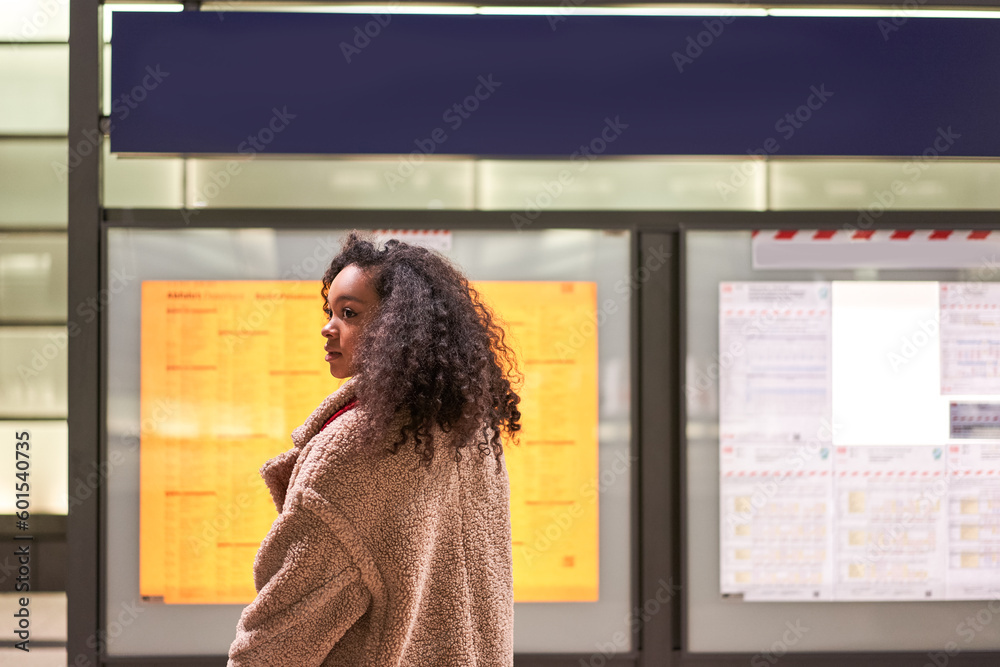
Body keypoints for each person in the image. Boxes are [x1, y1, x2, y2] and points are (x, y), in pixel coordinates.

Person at [228, 232, 521, 666]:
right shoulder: (469, 433)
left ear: (398, 326)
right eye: (330, 311)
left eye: (350, 313)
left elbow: (281, 632)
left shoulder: (351, 451)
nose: (328, 326)